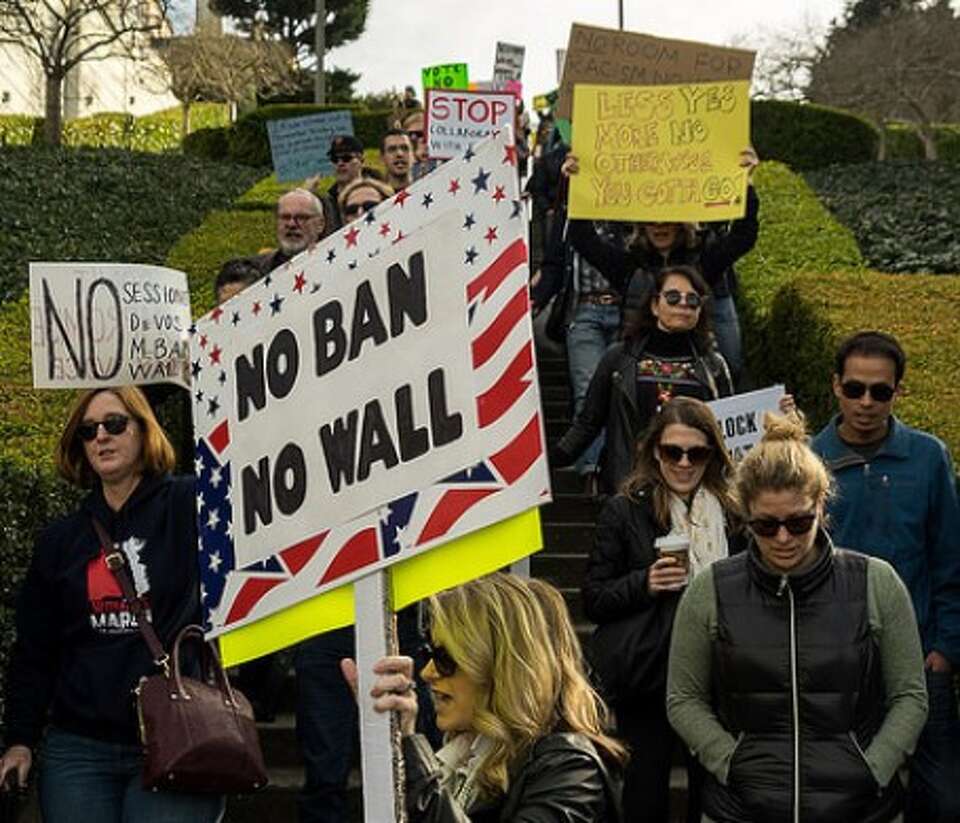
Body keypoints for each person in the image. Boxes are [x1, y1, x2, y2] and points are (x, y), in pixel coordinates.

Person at [667, 412, 929, 823]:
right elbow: (683, 698)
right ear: (745, 516)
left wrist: (873, 768)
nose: (783, 537)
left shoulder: (876, 582)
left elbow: (910, 696)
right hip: (741, 809)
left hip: (861, 809)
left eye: (798, 521)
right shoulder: (711, 590)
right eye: (766, 525)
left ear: (821, 506)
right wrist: (730, 763)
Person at [0, 387, 223, 822]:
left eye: (116, 423)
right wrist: (20, 739)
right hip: (79, 752)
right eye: (88, 430)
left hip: (177, 735)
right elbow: (35, 650)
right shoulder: (60, 540)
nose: (101, 436)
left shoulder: (190, 507)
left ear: (144, 430)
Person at [810, 330, 960, 822]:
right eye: (855, 388)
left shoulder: (929, 457)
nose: (867, 402)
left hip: (919, 662)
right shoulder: (811, 462)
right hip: (838, 665)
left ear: (898, 392)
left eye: (880, 391)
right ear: (836, 385)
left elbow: (950, 560)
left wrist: (944, 650)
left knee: (942, 801)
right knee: (847, 800)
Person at [344, 573, 625, 821]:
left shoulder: (571, 771)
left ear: (500, 668)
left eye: (445, 658)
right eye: (429, 654)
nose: (427, 672)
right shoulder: (469, 755)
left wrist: (410, 748)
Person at [584, 397, 741, 823]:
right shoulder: (625, 509)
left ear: (713, 454)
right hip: (649, 675)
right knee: (644, 794)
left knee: (711, 793)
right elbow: (594, 598)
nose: (685, 463)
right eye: (674, 451)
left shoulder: (733, 515)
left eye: (697, 452)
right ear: (655, 450)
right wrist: (645, 583)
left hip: (716, 676)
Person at [562, 149, 760, 380]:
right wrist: (576, 185)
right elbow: (584, 240)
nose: (659, 226)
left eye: (667, 219)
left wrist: (744, 183)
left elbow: (743, 237)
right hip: (639, 371)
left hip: (693, 368)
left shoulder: (703, 260)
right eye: (651, 220)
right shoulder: (628, 266)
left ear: (681, 222)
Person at [551, 264, 733, 495]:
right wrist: (547, 462)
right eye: (673, 297)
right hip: (631, 490)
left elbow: (729, 433)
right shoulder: (618, 358)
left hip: (695, 494)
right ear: (655, 305)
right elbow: (588, 424)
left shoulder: (714, 366)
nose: (683, 305)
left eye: (693, 300)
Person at [253, 188, 327, 276]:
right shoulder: (255, 271)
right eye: (285, 217)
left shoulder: (333, 264)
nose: (291, 224)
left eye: (301, 217)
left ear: (320, 224)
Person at [311, 134, 365, 231]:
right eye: (335, 159)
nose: (340, 163)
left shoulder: (378, 192)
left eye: (346, 158)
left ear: (361, 160)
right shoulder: (326, 203)